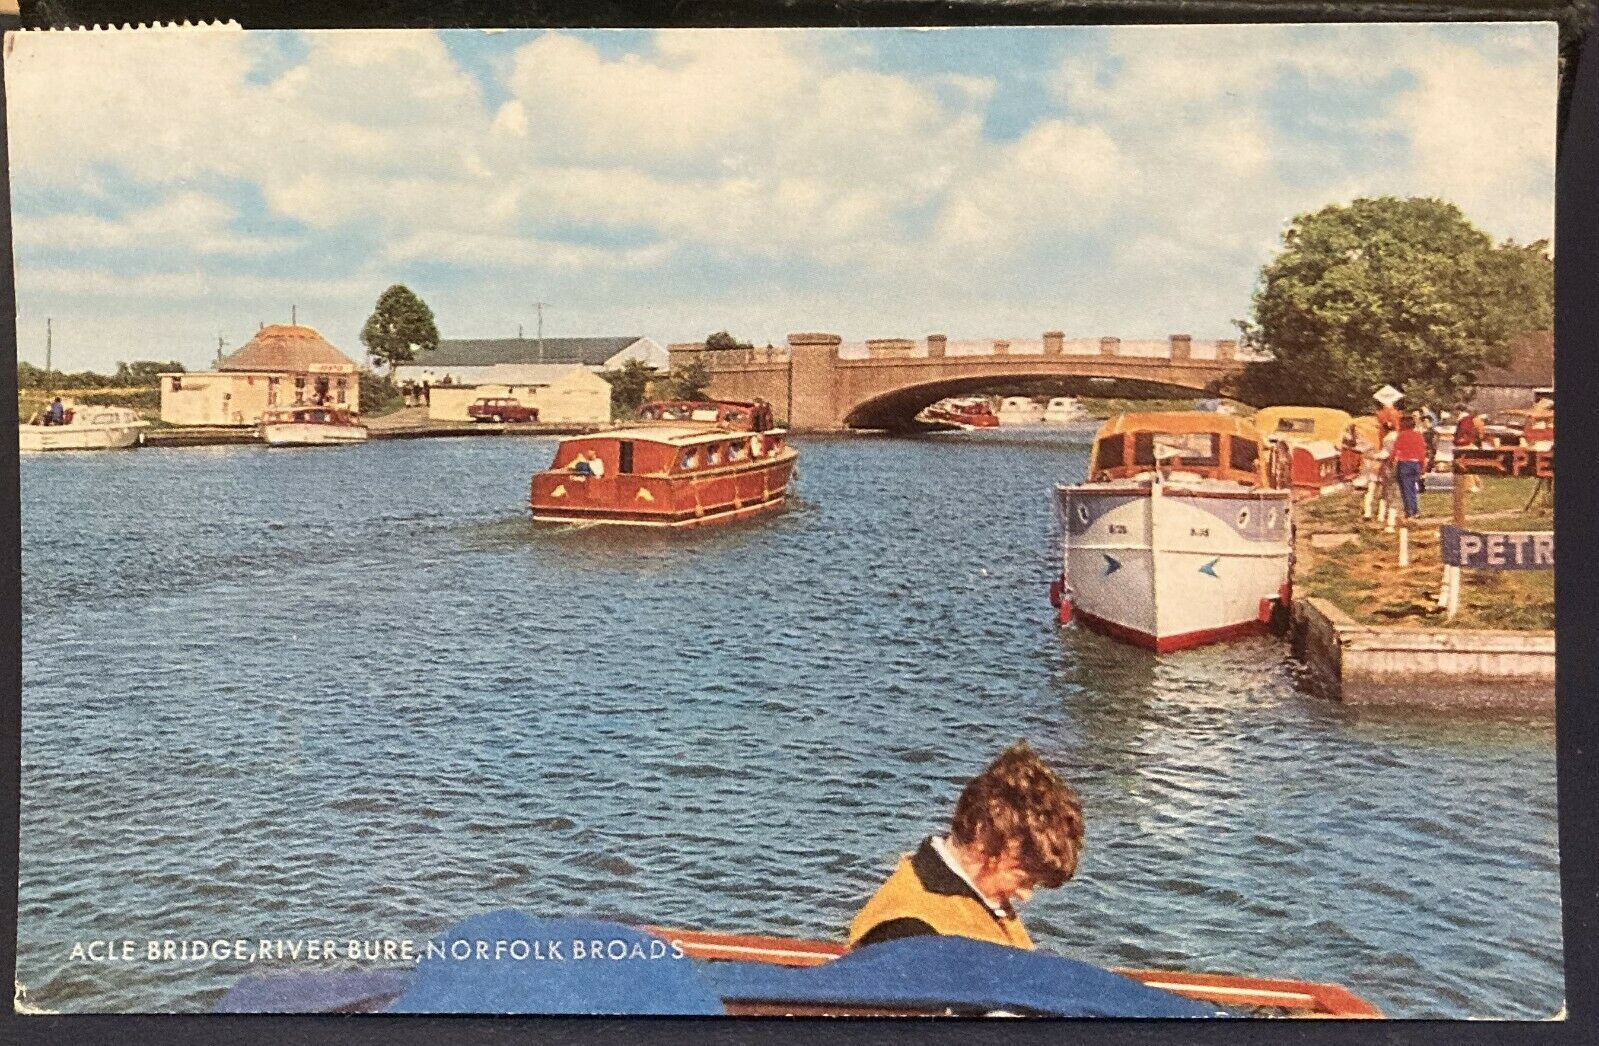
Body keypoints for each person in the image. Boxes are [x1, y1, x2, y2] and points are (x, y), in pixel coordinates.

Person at [848, 742, 1084, 951]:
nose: (1025, 896)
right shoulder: (910, 929)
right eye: (1024, 878)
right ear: (986, 838)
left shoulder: (983, 903)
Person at [1392, 414, 1428, 519]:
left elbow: (1395, 450)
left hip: (1404, 464)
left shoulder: (1401, 435)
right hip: (1416, 464)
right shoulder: (1419, 435)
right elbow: (1422, 452)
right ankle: (1415, 510)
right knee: (1413, 488)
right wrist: (1422, 467)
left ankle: (1409, 511)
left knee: (1406, 489)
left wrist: (1390, 461)